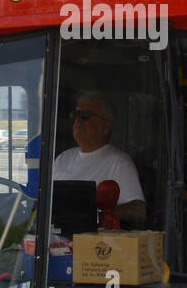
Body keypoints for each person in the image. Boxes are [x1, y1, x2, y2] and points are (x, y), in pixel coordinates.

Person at [53, 93, 146, 224]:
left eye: (85, 116)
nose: (78, 122)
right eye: (76, 115)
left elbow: (138, 210)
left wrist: (97, 217)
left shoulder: (119, 162)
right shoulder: (62, 159)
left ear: (106, 127)